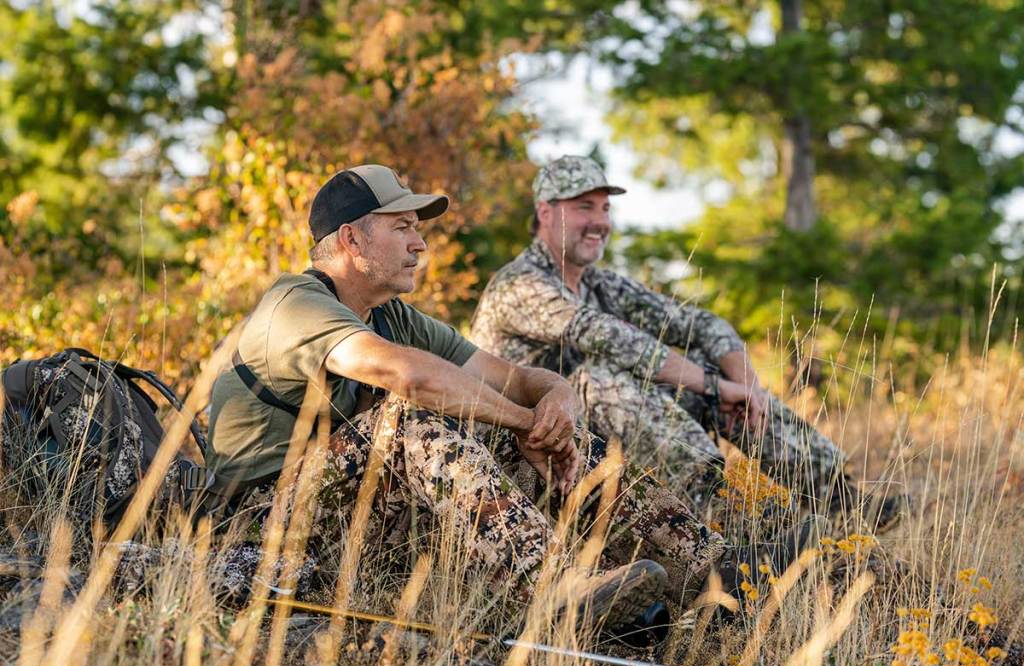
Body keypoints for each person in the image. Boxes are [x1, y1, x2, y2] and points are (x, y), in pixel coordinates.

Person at [202, 163, 728, 625]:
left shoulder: (393, 316)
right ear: (351, 240)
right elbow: (412, 378)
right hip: (261, 528)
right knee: (407, 418)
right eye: (402, 227)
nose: (420, 244)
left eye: (418, 229)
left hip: (350, 516)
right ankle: (558, 590)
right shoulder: (295, 303)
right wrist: (522, 422)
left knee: (550, 435)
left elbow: (518, 379)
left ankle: (712, 575)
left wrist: (557, 406)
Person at [469, 155, 903, 529]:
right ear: (545, 212)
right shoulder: (519, 284)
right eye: (585, 207)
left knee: (704, 365)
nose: (601, 221)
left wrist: (744, 386)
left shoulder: (600, 284)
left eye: (605, 208)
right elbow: (617, 342)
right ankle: (726, 510)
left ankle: (836, 496)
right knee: (600, 378)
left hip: (594, 444)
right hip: (528, 456)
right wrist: (714, 387)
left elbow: (700, 323)